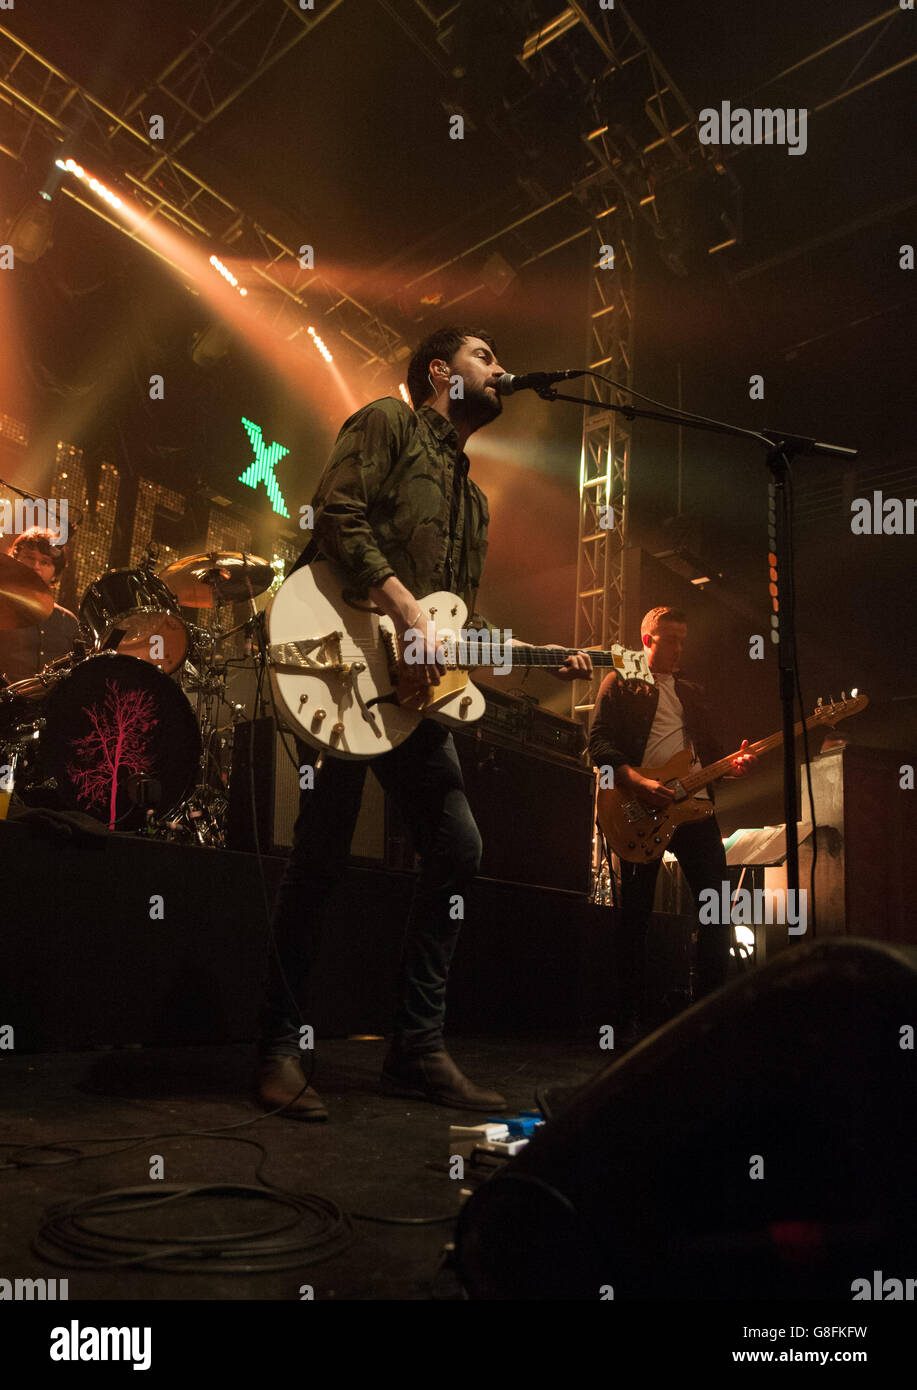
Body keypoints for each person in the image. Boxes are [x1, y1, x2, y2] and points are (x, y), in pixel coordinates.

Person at [257, 326, 593, 1120]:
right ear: (440, 373)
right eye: (485, 356)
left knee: (456, 845)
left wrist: (533, 659)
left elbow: (452, 625)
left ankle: (414, 1050)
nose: (500, 367)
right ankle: (277, 1047)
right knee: (321, 852)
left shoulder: (474, 498)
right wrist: (402, 607)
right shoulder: (386, 421)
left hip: (408, 696)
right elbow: (334, 512)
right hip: (341, 663)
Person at [588, 605, 756, 1044]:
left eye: (684, 638)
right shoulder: (622, 682)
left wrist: (735, 763)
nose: (681, 647)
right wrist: (639, 782)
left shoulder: (692, 691)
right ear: (648, 640)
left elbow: (714, 750)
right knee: (635, 916)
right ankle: (627, 1021)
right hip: (642, 809)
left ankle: (707, 1019)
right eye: (672, 639)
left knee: (717, 910)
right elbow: (598, 742)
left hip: (697, 809)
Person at [0, 528, 79, 686]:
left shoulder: (69, 622)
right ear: (14, 560)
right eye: (29, 558)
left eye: (45, 562)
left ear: (55, 574)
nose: (36, 566)